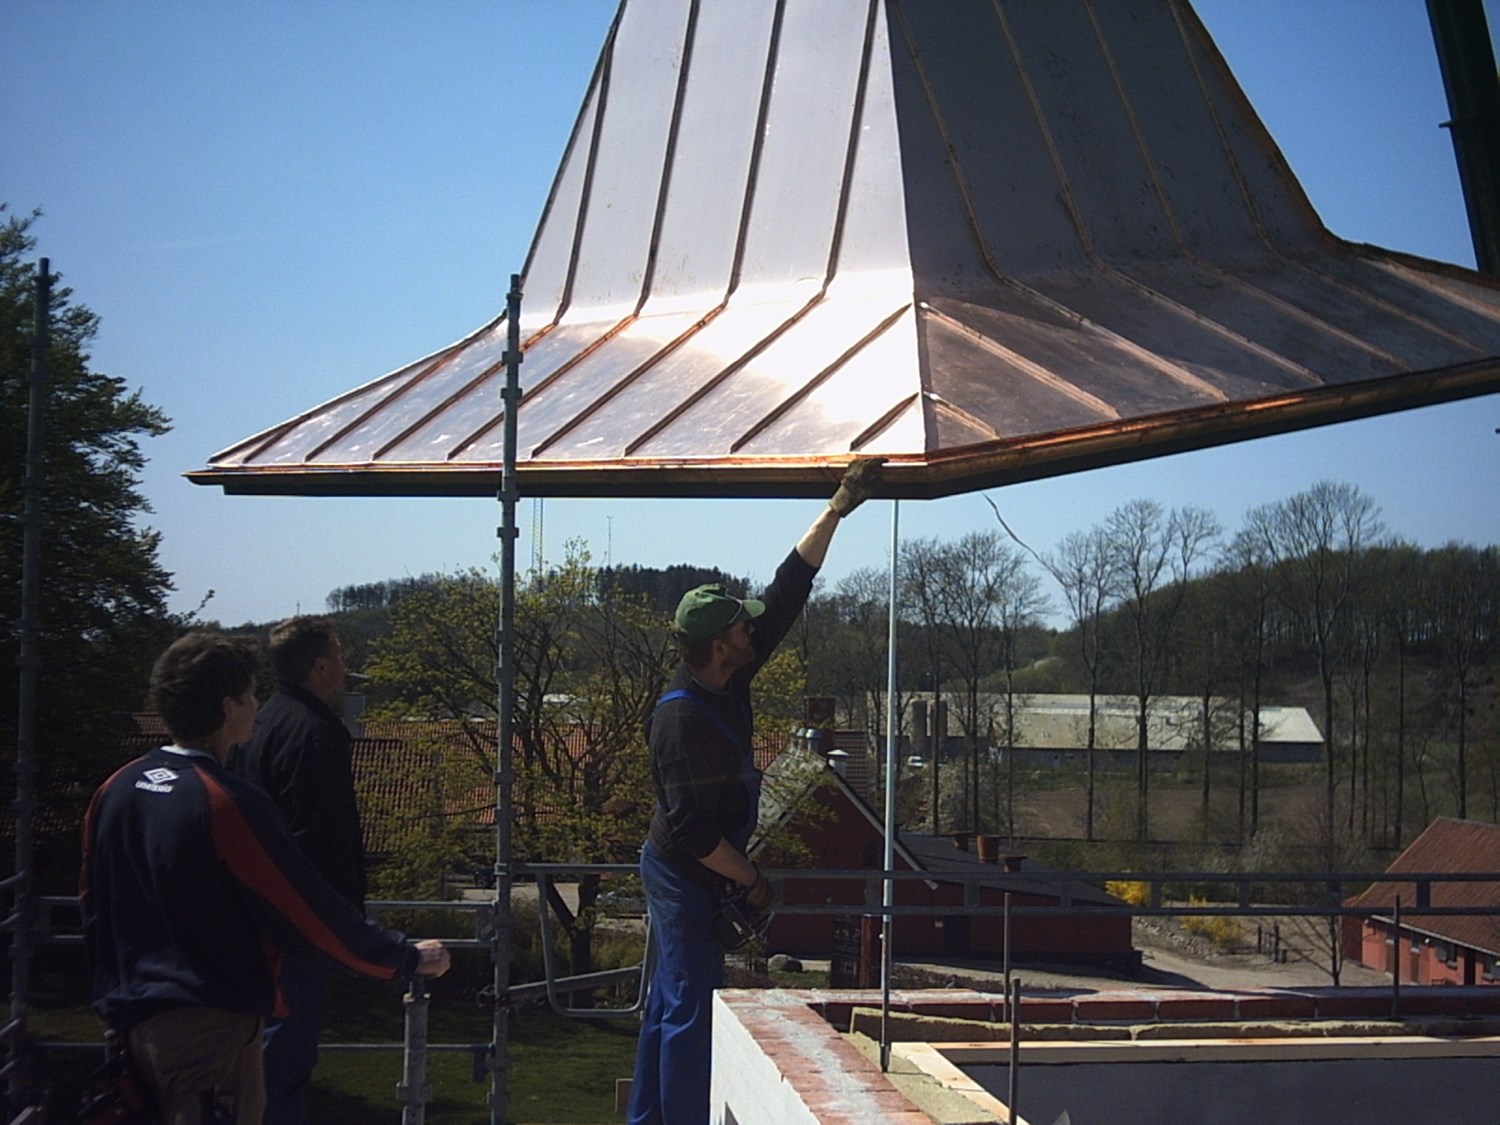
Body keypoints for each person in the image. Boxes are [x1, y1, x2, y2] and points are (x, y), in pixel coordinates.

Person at [81, 632, 451, 1124]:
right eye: (252, 694)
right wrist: (402, 956)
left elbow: (92, 903)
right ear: (229, 706)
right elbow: (301, 905)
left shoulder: (117, 788)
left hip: (129, 1027)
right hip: (207, 1031)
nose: (259, 705)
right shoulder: (224, 801)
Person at [626, 458, 884, 1125]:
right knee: (690, 1002)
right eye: (741, 627)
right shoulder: (680, 719)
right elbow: (692, 834)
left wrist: (837, 506)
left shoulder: (729, 672)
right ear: (718, 645)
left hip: (700, 861)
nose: (754, 630)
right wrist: (753, 881)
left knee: (668, 998)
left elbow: (789, 587)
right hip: (686, 869)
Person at [238, 615, 363, 1123]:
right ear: (320, 666)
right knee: (284, 1059)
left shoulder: (267, 720)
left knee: (272, 1054)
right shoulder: (312, 733)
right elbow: (317, 838)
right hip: (298, 925)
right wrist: (340, 923)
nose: (344, 664)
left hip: (266, 915)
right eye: (338, 655)